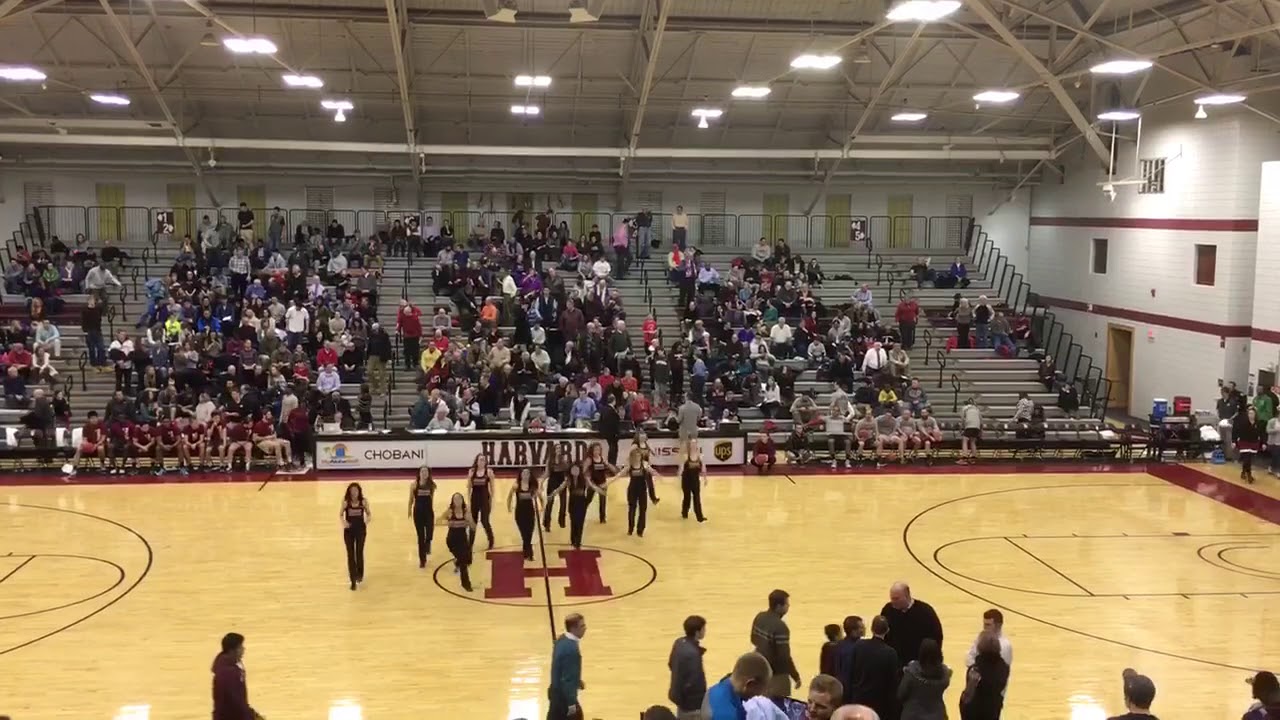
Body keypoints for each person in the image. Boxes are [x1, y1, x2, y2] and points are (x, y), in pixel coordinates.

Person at [844, 616, 899, 718]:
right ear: (887, 630)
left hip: (859, 699)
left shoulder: (859, 645)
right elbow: (892, 683)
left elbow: (851, 672)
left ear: (872, 629)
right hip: (879, 703)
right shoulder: (890, 653)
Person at [880, 582, 943, 667]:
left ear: (907, 596)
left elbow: (936, 637)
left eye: (896, 599)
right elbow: (882, 634)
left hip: (919, 665)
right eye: (892, 599)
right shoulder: (888, 610)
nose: (893, 602)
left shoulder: (926, 612)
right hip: (895, 664)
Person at [751, 589, 801, 696]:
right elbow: (784, 657)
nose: (788, 606)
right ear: (779, 606)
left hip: (759, 669)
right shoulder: (781, 627)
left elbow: (753, 639)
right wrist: (795, 676)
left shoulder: (759, 617)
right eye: (787, 604)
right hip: (777, 675)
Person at [605, 448, 662, 537]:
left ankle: (640, 530)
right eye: (636, 456)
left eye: (639, 456)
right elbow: (619, 475)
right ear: (632, 457)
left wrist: (658, 475)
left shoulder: (644, 464)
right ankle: (630, 529)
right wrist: (609, 482)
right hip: (632, 490)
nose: (637, 458)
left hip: (642, 490)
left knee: (643, 510)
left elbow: (652, 471)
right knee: (632, 509)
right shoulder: (630, 466)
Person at [702, 652, 772, 720]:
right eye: (757, 693)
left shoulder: (716, 689)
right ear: (750, 684)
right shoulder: (728, 715)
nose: (755, 697)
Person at [211, 632, 264, 720]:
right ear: (232, 650)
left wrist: (252, 713)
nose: (243, 649)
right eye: (240, 647)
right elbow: (235, 702)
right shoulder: (228, 673)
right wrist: (250, 716)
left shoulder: (230, 668)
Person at [958, 632, 1009, 720]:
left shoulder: (975, 670)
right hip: (994, 710)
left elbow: (968, 697)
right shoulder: (1004, 667)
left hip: (976, 712)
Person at [548, 613, 588, 720]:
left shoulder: (562, 640)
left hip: (555, 693)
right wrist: (571, 704)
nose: (585, 628)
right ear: (573, 628)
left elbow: (563, 669)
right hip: (564, 699)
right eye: (582, 626)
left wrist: (577, 681)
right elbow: (567, 680)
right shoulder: (571, 650)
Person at [898, 638, 950, 720]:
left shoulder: (911, 672)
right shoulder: (944, 674)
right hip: (937, 715)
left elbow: (901, 693)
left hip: (913, 715)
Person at [668, 615, 708, 720]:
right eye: (703, 629)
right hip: (692, 705)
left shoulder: (679, 642)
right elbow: (695, 682)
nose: (705, 631)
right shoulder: (693, 654)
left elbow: (670, 664)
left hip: (679, 699)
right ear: (697, 632)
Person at [440, 492, 476, 592]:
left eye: (459, 499)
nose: (458, 501)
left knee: (466, 560)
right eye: (455, 499)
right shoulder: (450, 512)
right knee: (463, 561)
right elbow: (438, 521)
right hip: (452, 540)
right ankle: (466, 584)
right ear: (452, 501)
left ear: (462, 500)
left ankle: (458, 564)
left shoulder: (466, 512)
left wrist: (470, 521)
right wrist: (448, 523)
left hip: (463, 539)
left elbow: (473, 527)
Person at [507, 467, 543, 560]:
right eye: (524, 473)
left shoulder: (533, 487)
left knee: (529, 533)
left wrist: (542, 507)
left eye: (527, 473)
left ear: (530, 475)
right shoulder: (516, 485)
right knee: (524, 533)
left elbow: (541, 498)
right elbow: (509, 496)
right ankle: (528, 551)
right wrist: (509, 507)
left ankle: (527, 552)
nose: (526, 475)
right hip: (519, 513)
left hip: (530, 512)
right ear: (521, 475)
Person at [340, 482, 371, 591]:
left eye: (356, 490)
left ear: (359, 491)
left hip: (360, 531)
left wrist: (367, 520)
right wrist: (344, 522)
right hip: (349, 531)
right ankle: (352, 580)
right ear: (349, 491)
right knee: (350, 555)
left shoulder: (363, 501)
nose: (354, 492)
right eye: (352, 490)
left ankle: (360, 574)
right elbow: (340, 514)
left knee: (359, 552)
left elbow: (369, 514)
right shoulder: (345, 502)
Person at [408, 465, 436, 568]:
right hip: (418, 512)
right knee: (420, 537)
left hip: (428, 512)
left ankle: (428, 543)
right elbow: (411, 499)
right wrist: (409, 511)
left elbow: (432, 498)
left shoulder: (432, 485)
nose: (424, 473)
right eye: (422, 471)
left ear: (428, 474)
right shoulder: (414, 485)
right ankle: (422, 560)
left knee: (429, 533)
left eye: (426, 472)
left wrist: (431, 510)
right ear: (419, 473)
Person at [467, 453, 497, 550]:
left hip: (484, 499)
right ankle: (470, 544)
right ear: (476, 461)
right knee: (473, 522)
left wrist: (491, 501)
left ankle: (491, 539)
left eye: (484, 460)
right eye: (480, 459)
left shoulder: (489, 472)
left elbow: (492, 488)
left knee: (485, 521)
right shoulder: (472, 471)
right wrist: (468, 501)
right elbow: (469, 487)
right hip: (474, 499)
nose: (482, 461)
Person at [65, 410, 106, 476]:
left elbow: (103, 438)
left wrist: (96, 445)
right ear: (89, 419)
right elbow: (85, 439)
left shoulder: (101, 425)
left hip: (99, 444)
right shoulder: (86, 427)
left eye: (95, 418)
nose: (94, 420)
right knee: (79, 448)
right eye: (92, 418)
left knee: (100, 448)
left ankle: (102, 464)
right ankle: (74, 467)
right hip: (90, 444)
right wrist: (86, 445)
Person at [544, 442, 572, 531]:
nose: (559, 450)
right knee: (549, 503)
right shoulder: (549, 460)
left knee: (563, 503)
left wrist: (566, 482)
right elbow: (547, 473)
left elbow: (567, 472)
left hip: (561, 481)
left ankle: (562, 521)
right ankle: (546, 523)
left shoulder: (563, 459)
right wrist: (541, 482)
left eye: (560, 448)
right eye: (557, 448)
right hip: (552, 482)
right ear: (554, 450)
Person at [1235, 405, 1264, 484]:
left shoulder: (1258, 423)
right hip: (1244, 442)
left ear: (1255, 415)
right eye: (1249, 414)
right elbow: (1236, 431)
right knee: (1247, 458)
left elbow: (1262, 434)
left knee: (1248, 459)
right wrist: (1234, 441)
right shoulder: (1243, 423)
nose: (1251, 415)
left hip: (1254, 443)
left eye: (1252, 414)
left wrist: (1263, 443)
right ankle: (1249, 474)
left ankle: (1243, 471)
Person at [680, 440, 708, 522]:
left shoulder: (700, 456)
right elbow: (681, 468)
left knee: (697, 498)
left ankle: (700, 517)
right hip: (686, 480)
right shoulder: (686, 456)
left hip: (695, 480)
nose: (693, 445)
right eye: (691, 444)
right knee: (687, 497)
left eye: (694, 444)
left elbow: (703, 468)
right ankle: (684, 512)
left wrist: (705, 478)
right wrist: (679, 475)